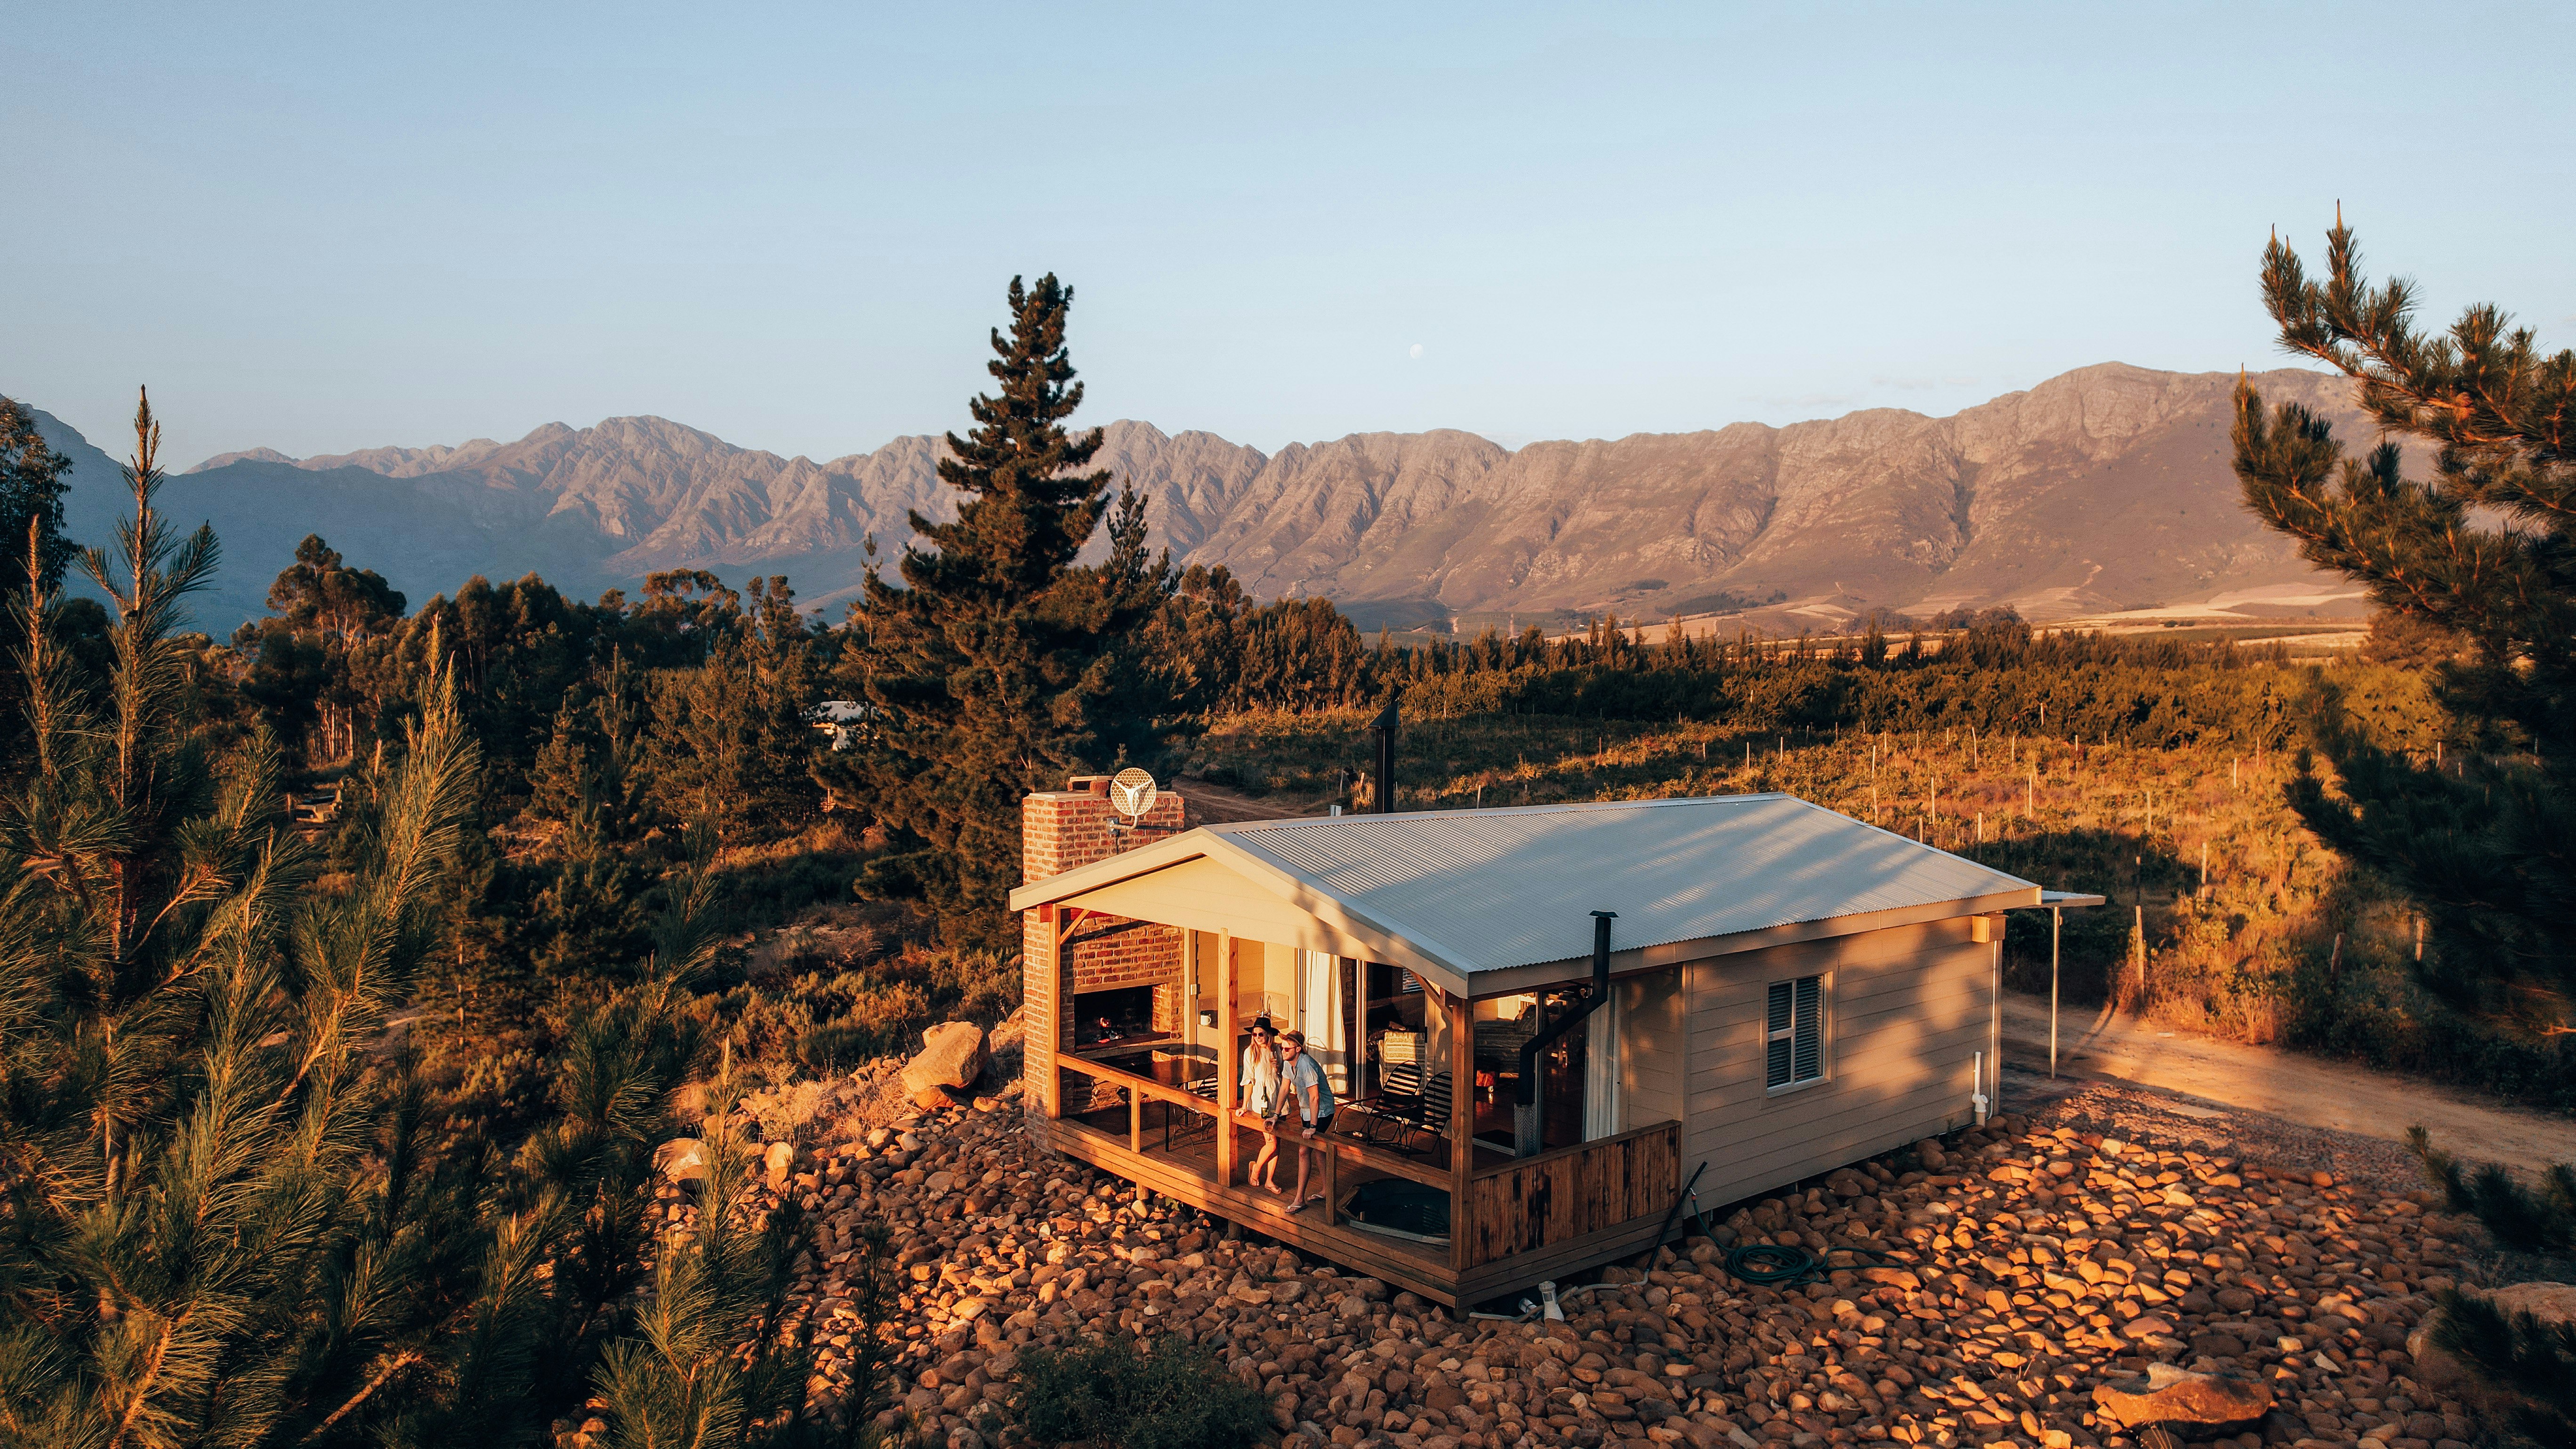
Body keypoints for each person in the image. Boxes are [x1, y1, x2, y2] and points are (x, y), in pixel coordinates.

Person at [1279, 1030, 1336, 1212]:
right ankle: (1327, 1190)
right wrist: (1275, 1114)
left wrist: (1313, 1127)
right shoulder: (1289, 1064)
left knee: (1304, 1150)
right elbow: (1284, 1090)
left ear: (1298, 1049)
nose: (1283, 1050)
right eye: (1282, 1047)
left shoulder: (1307, 1065)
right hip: (1306, 1111)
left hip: (1323, 1111)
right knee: (1319, 1150)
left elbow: (1315, 1098)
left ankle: (1299, 1199)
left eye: (1287, 1047)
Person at [1237, 1021, 1283, 1194]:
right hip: (1261, 1101)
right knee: (1271, 1143)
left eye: (1260, 1034)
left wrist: (1278, 1068)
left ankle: (1270, 1180)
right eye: (1254, 1034)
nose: (1257, 1038)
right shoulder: (1250, 1053)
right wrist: (1244, 1105)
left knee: (1277, 1144)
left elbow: (1284, 1076)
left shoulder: (1277, 1050)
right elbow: (1248, 1080)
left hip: (1277, 1099)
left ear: (1268, 1035)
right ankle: (1256, 1169)